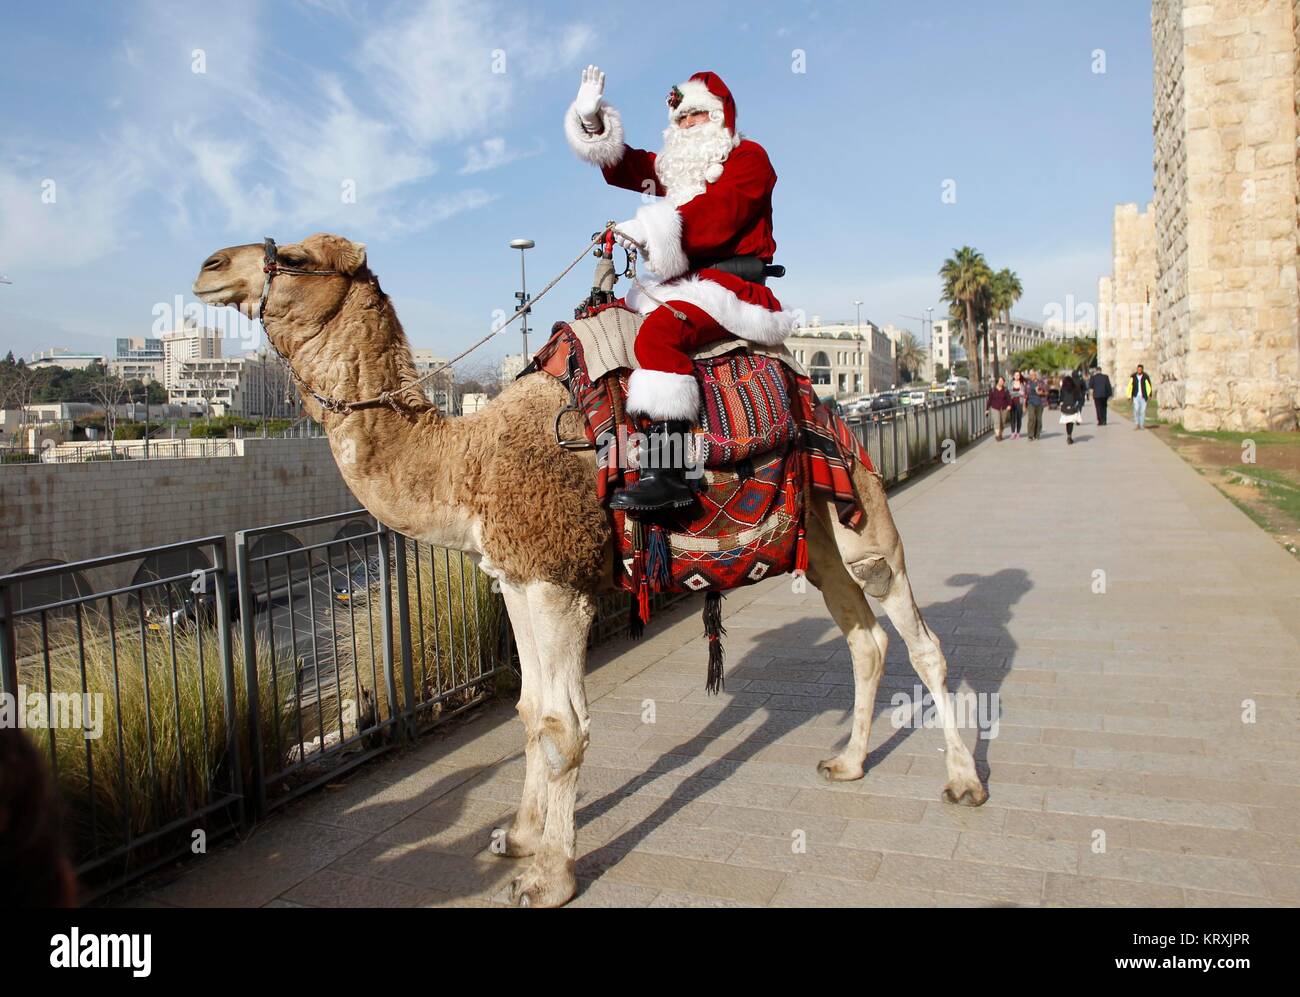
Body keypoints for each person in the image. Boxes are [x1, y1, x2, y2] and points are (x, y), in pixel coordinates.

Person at [566, 66, 794, 511]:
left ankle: (672, 478)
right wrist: (592, 122)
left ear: (719, 117)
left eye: (695, 116)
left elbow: (720, 214)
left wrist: (652, 228)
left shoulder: (750, 160)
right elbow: (630, 166)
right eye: (679, 119)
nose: (686, 126)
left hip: (728, 287)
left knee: (658, 336)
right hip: (679, 283)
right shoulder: (683, 170)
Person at [1126, 364, 1154, 429]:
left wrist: (1150, 394)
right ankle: (1137, 424)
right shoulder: (1133, 376)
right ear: (1137, 369)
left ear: (1142, 370)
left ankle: (1141, 425)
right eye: (1138, 369)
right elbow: (1130, 386)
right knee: (1136, 410)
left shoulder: (1146, 376)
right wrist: (1129, 396)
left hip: (1143, 396)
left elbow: (1149, 386)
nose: (1139, 370)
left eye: (1140, 369)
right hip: (1136, 396)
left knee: (1142, 411)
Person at [1058, 373, 1083, 444]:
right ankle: (1069, 435)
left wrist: (1060, 403)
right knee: (1071, 423)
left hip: (1065, 408)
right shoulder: (1075, 388)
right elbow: (1079, 398)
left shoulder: (1063, 389)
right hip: (1073, 408)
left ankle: (1069, 435)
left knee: (1067, 423)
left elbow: (1061, 398)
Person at [986, 376, 1012, 440]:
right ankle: (997, 435)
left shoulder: (1005, 390)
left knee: (1002, 423)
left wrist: (1009, 405)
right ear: (997, 382)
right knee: (997, 421)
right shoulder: (992, 390)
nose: (1001, 382)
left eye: (1002, 381)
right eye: (1000, 381)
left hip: (1004, 408)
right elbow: (989, 400)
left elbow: (1009, 399)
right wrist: (987, 409)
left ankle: (1000, 434)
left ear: (1004, 382)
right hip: (995, 407)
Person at [1025, 368, 1047, 440]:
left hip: (1040, 403)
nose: (1031, 376)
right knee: (1031, 418)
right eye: (1030, 375)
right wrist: (1024, 405)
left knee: (1038, 420)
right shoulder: (1028, 383)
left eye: (1033, 375)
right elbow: (1025, 394)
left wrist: (1041, 393)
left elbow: (1046, 392)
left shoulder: (1040, 382)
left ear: (1035, 375)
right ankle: (1030, 435)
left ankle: (1037, 434)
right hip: (1031, 402)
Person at [1008, 370, 1026, 439]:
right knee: (1012, 418)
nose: (1017, 376)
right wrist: (1018, 392)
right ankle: (1013, 433)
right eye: (1015, 375)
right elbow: (1010, 392)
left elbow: (1023, 394)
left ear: (1020, 376)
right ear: (1013, 376)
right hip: (1012, 402)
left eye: (1018, 375)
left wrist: (1016, 393)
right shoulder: (1010, 383)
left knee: (1019, 418)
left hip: (1020, 403)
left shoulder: (1022, 384)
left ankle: (1018, 433)